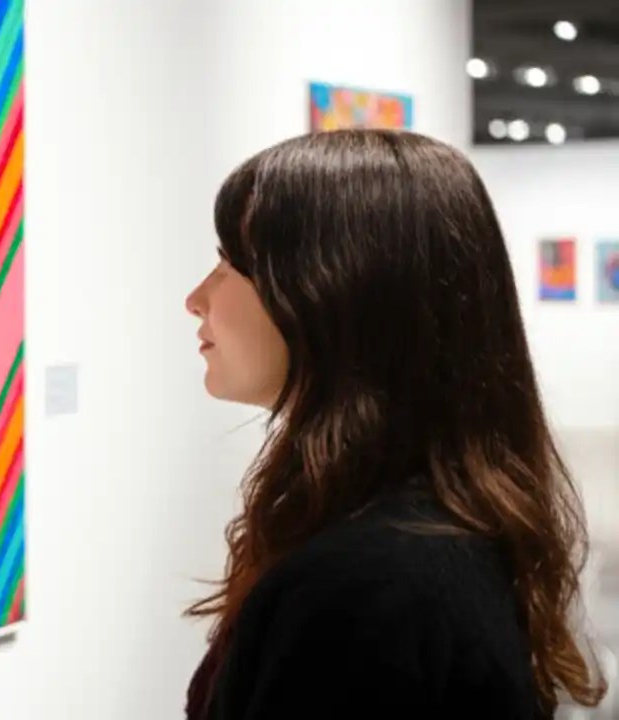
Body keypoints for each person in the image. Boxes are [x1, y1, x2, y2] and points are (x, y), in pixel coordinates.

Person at [182, 129, 609, 719]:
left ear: (331, 291)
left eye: (231, 264)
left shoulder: (364, 588)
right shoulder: (435, 530)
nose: (197, 298)